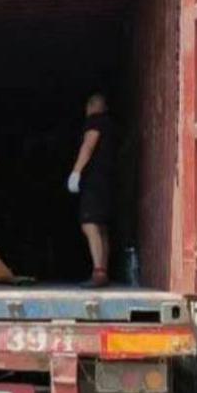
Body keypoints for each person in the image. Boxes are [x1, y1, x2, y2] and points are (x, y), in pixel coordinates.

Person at [67, 93, 114, 288]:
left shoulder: (95, 121)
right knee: (101, 226)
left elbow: (88, 145)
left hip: (95, 179)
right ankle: (103, 270)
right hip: (108, 178)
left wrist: (76, 171)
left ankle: (98, 272)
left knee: (89, 224)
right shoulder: (110, 125)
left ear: (92, 106)